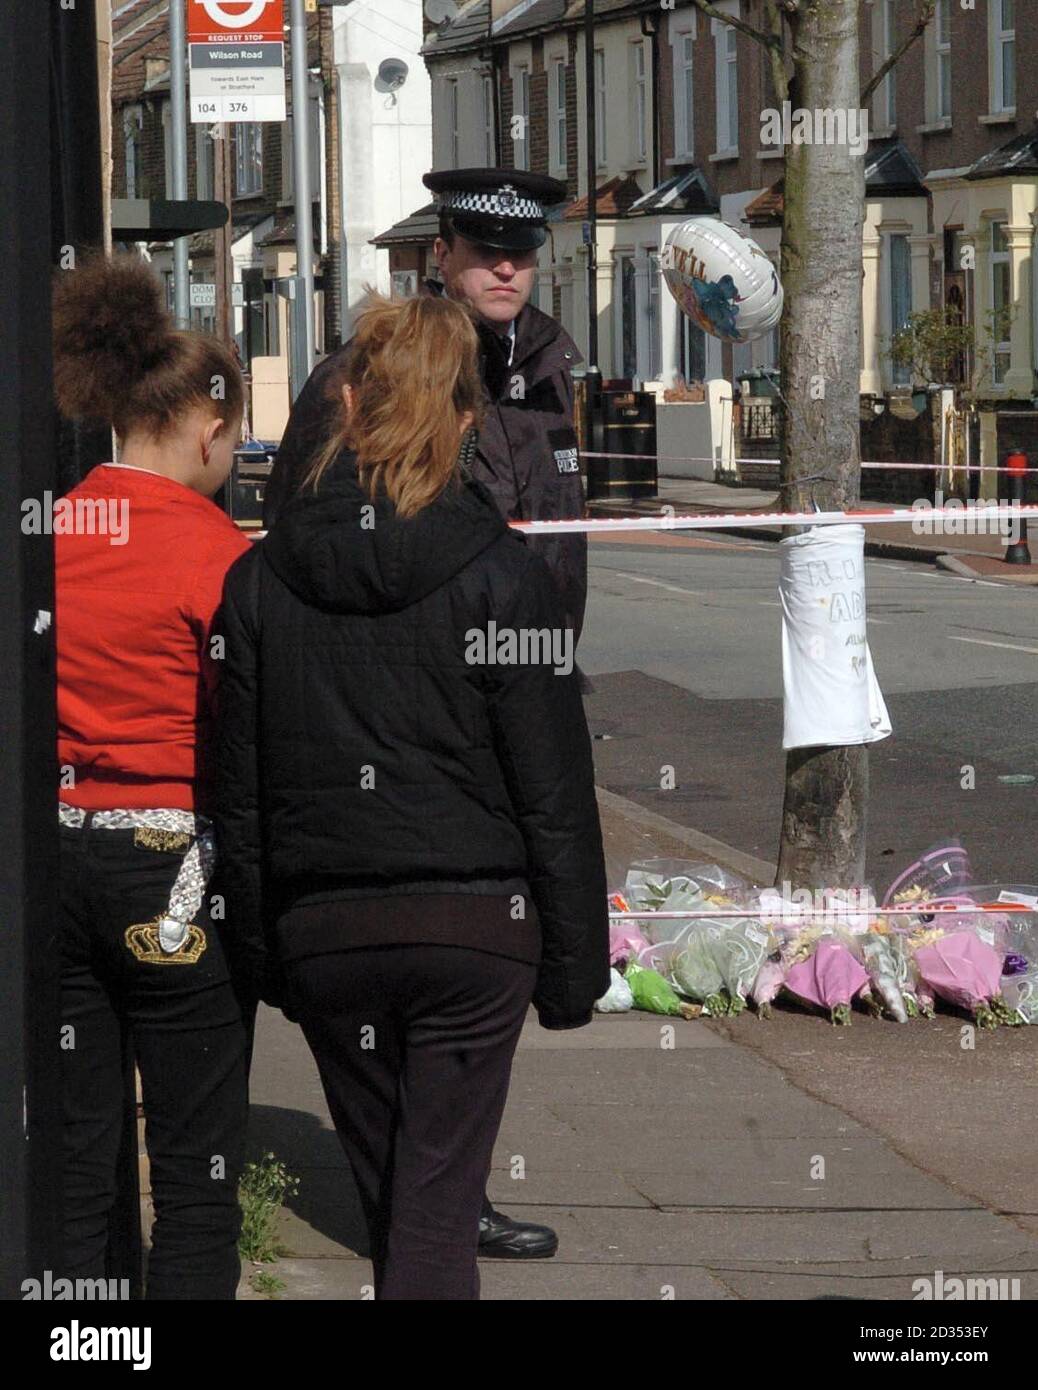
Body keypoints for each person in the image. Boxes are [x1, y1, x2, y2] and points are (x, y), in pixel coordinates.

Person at [212, 292, 609, 1299]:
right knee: (434, 1214)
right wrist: (571, 967)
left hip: (329, 926)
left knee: (398, 1198)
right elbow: (554, 791)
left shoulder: (260, 583)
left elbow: (241, 794)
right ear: (467, 418)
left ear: (345, 402)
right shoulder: (503, 579)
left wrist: (264, 950)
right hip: (475, 930)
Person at [51, 254, 253, 1300]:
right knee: (196, 1172)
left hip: (59, 858)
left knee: (78, 1157)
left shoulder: (58, 528)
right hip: (171, 864)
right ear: (207, 427)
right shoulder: (214, 552)